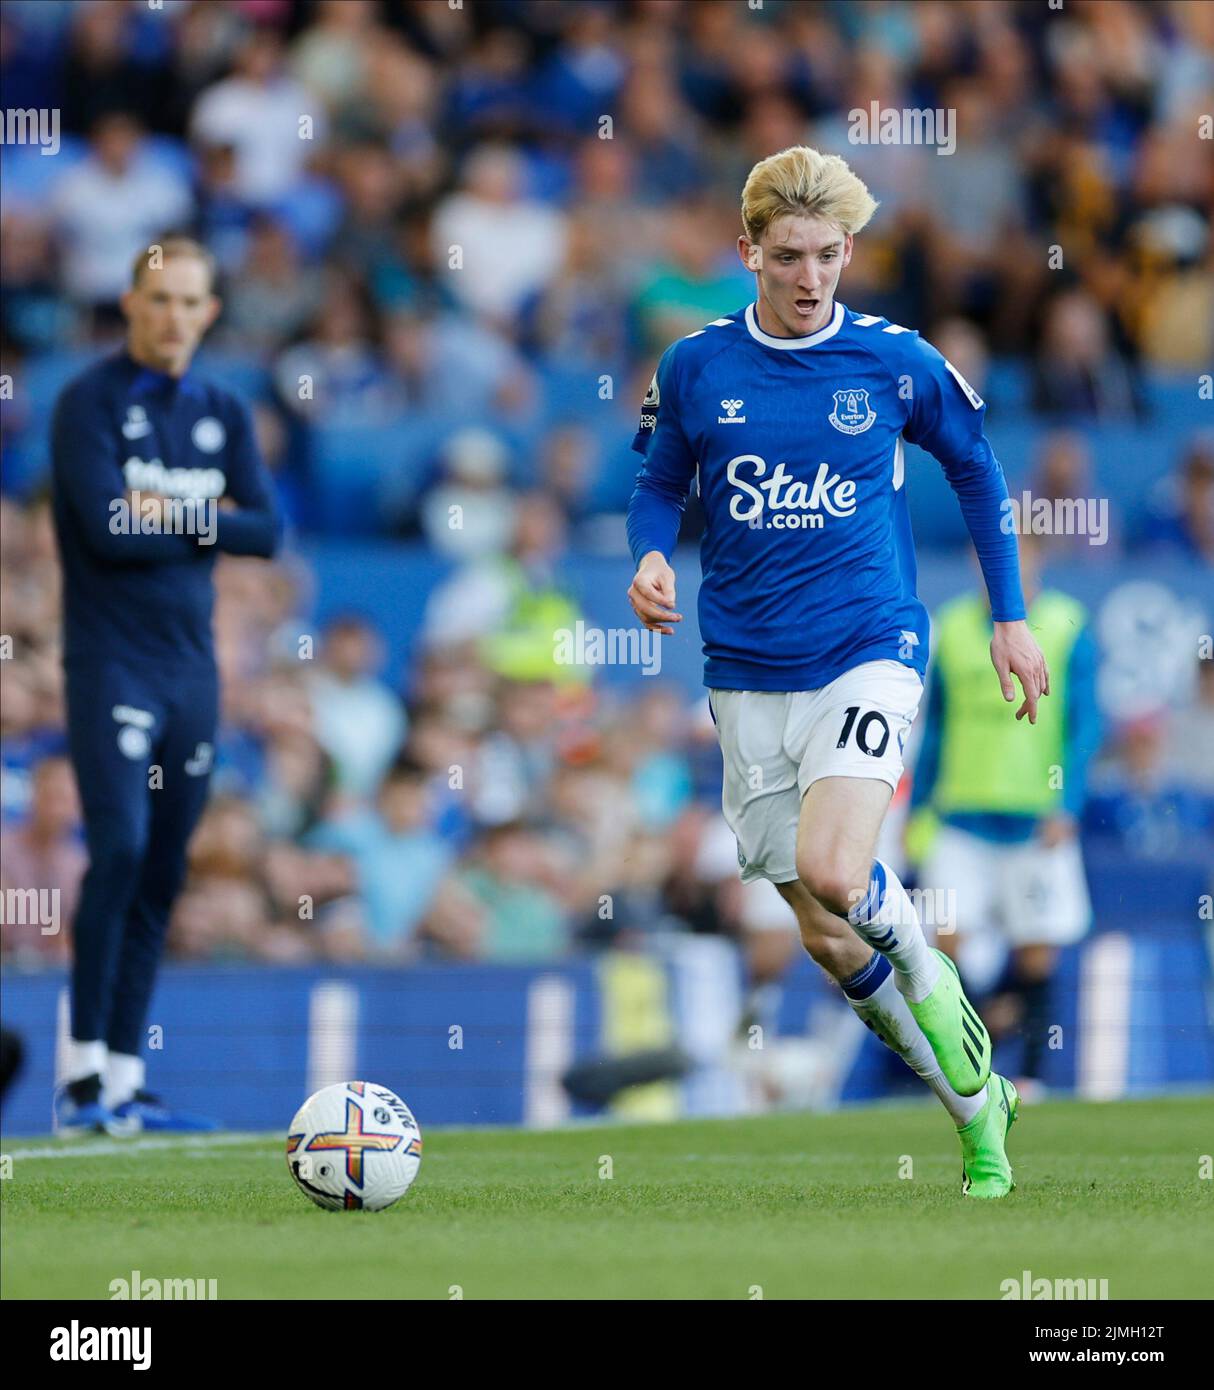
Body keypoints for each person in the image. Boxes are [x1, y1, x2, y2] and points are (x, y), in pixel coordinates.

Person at [625, 146, 1049, 1199]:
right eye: (786, 257)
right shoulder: (694, 366)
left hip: (867, 648)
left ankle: (928, 975)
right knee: (818, 928)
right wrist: (645, 552)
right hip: (742, 669)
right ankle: (975, 1111)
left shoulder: (893, 361)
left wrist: (1007, 616)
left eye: (825, 255)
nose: (808, 277)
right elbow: (657, 479)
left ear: (848, 252)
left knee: (831, 867)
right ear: (747, 254)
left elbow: (976, 469)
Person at [50, 234, 281, 1133]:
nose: (175, 317)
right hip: (111, 659)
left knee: (160, 867)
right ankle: (80, 1075)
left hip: (192, 668)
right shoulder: (88, 403)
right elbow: (107, 530)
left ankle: (121, 1074)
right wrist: (208, 515)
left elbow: (267, 530)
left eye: (191, 303)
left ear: (211, 312)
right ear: (131, 304)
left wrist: (168, 510)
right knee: (116, 847)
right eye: (160, 301)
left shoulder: (223, 407)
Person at [909, 532, 1101, 1099]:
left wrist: (1067, 803)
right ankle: (967, 1073)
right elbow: (937, 727)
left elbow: (1084, 724)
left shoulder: (1068, 623)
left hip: (1036, 818)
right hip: (961, 816)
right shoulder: (951, 627)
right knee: (946, 943)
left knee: (1036, 947)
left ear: (1040, 558)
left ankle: (1034, 1073)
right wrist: (921, 811)